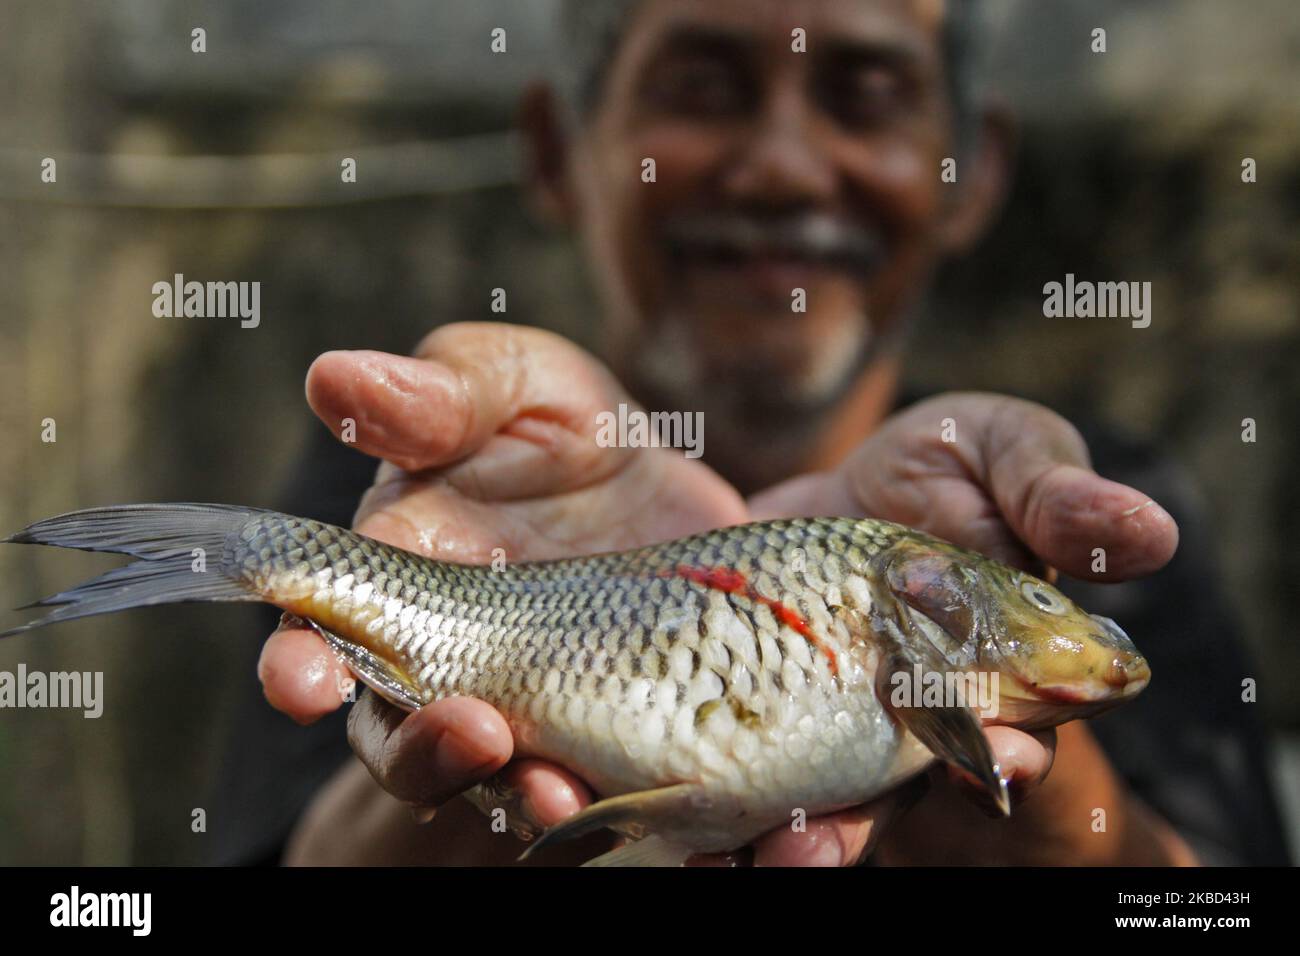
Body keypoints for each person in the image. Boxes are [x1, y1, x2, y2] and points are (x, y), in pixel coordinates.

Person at [209, 0, 1290, 866]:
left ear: (973, 169)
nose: (780, 165)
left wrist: (998, 800)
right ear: (556, 149)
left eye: (864, 95)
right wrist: (456, 808)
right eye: (702, 87)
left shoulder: (1099, 504)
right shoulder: (403, 497)